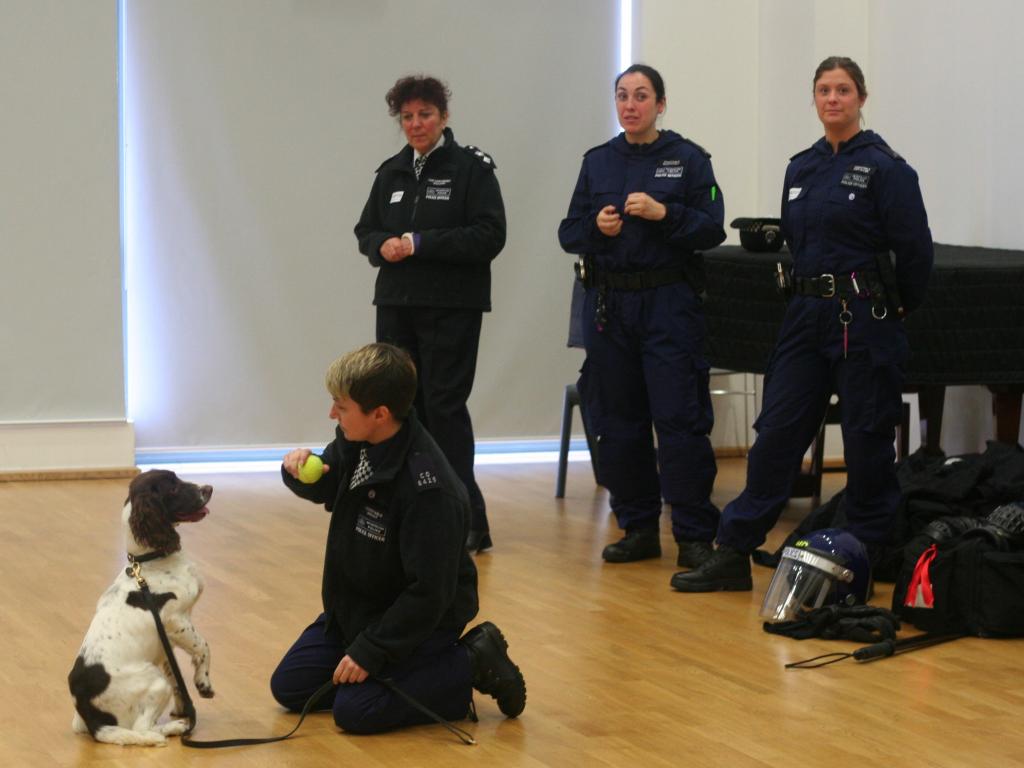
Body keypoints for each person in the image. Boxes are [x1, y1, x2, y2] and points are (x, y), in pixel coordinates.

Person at [672, 56, 934, 593]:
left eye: (842, 90)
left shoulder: (887, 168)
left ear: (861, 98)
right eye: (823, 90)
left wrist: (895, 306)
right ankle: (734, 550)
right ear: (813, 99)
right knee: (776, 432)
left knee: (865, 439)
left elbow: (916, 253)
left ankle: (861, 554)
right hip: (805, 316)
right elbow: (796, 238)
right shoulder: (802, 168)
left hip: (863, 318)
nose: (832, 99)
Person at [270, 343, 526, 734]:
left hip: (419, 619)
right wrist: (299, 470)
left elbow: (429, 594)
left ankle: (471, 661)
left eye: (341, 406)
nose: (331, 414)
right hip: (360, 609)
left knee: (355, 710)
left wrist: (371, 650)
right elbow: (330, 482)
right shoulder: (358, 439)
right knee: (290, 687)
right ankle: (386, 668)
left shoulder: (430, 493)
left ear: (380, 414)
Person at [557, 64, 726, 567]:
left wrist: (664, 215)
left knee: (678, 419)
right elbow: (568, 233)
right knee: (620, 421)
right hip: (611, 306)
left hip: (668, 304)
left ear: (661, 104)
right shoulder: (598, 161)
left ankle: (694, 533)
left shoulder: (689, 159)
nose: (630, 105)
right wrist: (597, 227)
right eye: (622, 96)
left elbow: (711, 228)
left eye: (641, 96)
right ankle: (637, 526)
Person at [354, 76, 506, 554]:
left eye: (425, 115)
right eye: (407, 117)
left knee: (443, 410)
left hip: (450, 308)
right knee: (399, 412)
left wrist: (422, 243)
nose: (416, 125)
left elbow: (489, 235)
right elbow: (366, 230)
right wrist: (382, 245)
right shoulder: (392, 172)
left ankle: (466, 519)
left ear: (444, 117)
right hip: (397, 307)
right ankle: (410, 514)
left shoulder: (471, 170)